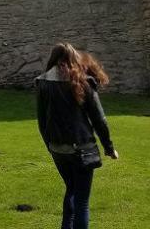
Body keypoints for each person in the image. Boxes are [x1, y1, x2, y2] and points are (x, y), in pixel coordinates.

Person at [36, 43, 118, 229]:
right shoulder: (83, 82)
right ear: (74, 59)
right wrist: (109, 148)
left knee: (71, 191)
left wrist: (50, 146)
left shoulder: (42, 82)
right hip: (82, 149)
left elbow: (42, 121)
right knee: (81, 200)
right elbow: (99, 120)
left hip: (58, 149)